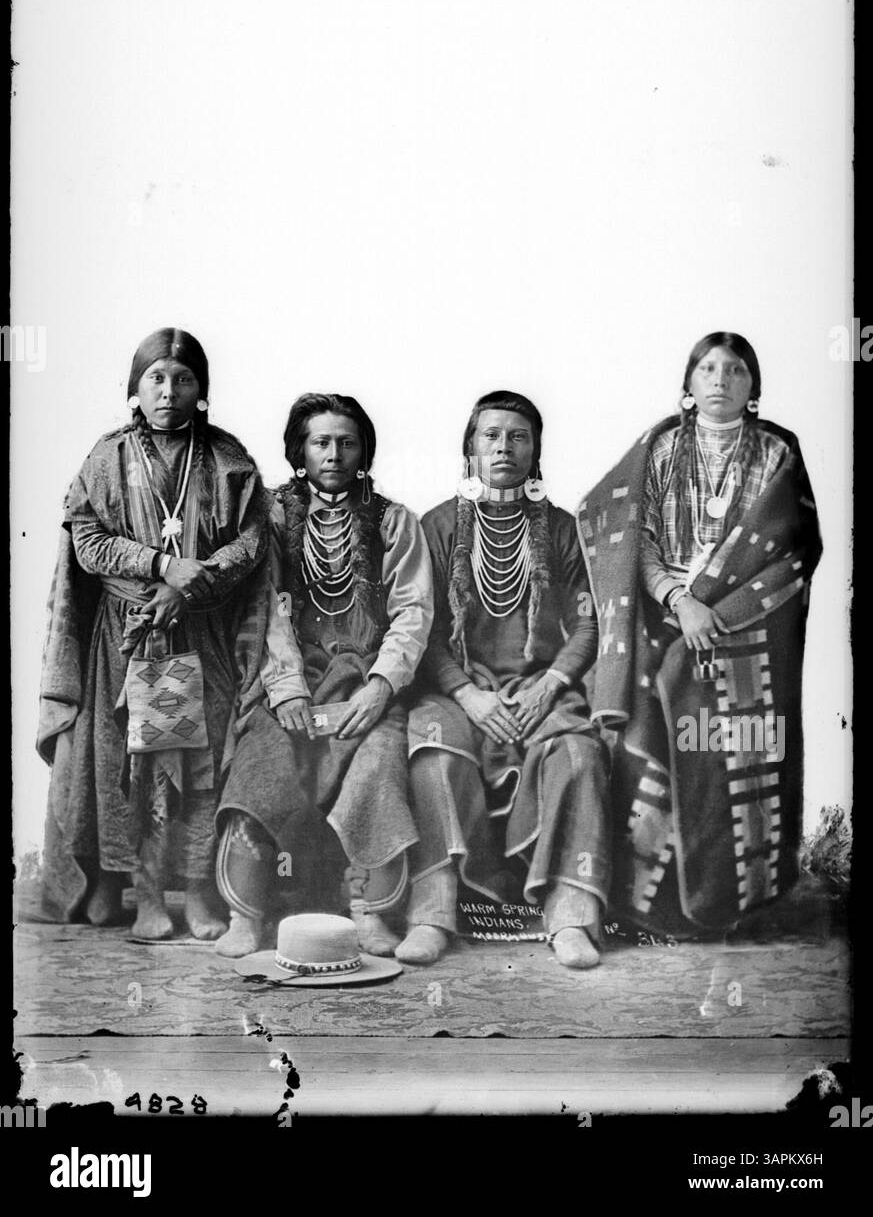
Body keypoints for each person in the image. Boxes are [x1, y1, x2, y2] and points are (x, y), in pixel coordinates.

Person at [577, 331, 822, 935]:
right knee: (655, 725)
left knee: (739, 746)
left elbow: (794, 551)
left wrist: (724, 613)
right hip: (668, 618)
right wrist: (682, 601)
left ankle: (738, 904)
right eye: (707, 369)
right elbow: (634, 540)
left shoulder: (778, 453)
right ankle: (651, 907)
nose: (720, 380)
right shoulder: (660, 450)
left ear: (753, 387)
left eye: (735, 370)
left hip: (753, 630)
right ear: (687, 385)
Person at [37, 328, 270, 939]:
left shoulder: (227, 457)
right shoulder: (105, 458)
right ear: (135, 388)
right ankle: (144, 897)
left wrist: (190, 586)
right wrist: (160, 567)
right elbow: (86, 543)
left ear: (203, 390)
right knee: (132, 766)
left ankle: (197, 895)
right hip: (127, 638)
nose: (170, 391)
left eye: (184, 379)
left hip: (200, 633)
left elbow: (250, 544)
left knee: (201, 763)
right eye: (157, 378)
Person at [214, 393, 434, 958]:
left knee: (377, 763)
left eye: (346, 442)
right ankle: (248, 912)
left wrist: (382, 686)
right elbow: (264, 606)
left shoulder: (394, 521)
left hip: (366, 678)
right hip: (291, 679)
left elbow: (412, 611)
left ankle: (368, 909)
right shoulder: (272, 517)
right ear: (299, 451)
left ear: (364, 452)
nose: (333, 454)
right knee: (262, 756)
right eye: (320, 442)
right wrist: (285, 688)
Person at [396, 390, 608, 970]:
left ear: (536, 450)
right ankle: (433, 911)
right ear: (470, 448)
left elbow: (589, 626)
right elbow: (423, 629)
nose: (504, 447)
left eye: (518, 436)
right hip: (455, 687)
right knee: (432, 752)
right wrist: (467, 692)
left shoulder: (562, 529)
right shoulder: (435, 526)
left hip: (541, 684)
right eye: (491, 435)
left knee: (579, 754)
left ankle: (569, 916)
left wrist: (550, 686)